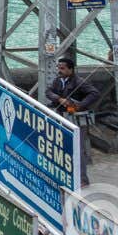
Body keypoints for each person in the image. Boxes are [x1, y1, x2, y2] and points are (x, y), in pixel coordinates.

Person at [47, 56, 100, 186]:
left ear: (71, 69)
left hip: (76, 118)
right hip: (62, 116)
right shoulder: (58, 80)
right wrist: (59, 99)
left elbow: (94, 93)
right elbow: (48, 91)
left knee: (78, 148)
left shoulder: (79, 82)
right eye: (59, 68)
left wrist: (79, 105)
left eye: (63, 68)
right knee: (61, 146)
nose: (60, 70)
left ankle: (83, 178)